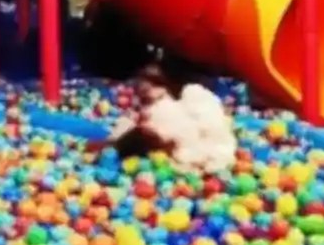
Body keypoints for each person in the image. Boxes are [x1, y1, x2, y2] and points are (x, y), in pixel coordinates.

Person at [100, 63, 234, 171]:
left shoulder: (175, 107)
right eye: (142, 96)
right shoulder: (182, 103)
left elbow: (171, 136)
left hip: (195, 145)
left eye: (145, 95)